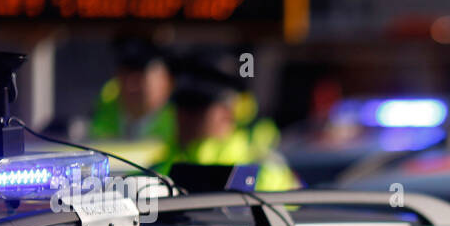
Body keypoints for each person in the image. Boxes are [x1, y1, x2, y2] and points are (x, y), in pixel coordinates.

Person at [152, 51, 300, 191]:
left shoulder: (266, 172)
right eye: (180, 105)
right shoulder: (156, 171)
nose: (183, 116)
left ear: (227, 114)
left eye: (196, 108)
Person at [89, 37, 176, 142]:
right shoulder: (105, 105)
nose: (131, 86)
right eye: (125, 75)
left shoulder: (182, 118)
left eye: (140, 77)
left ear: (165, 80)